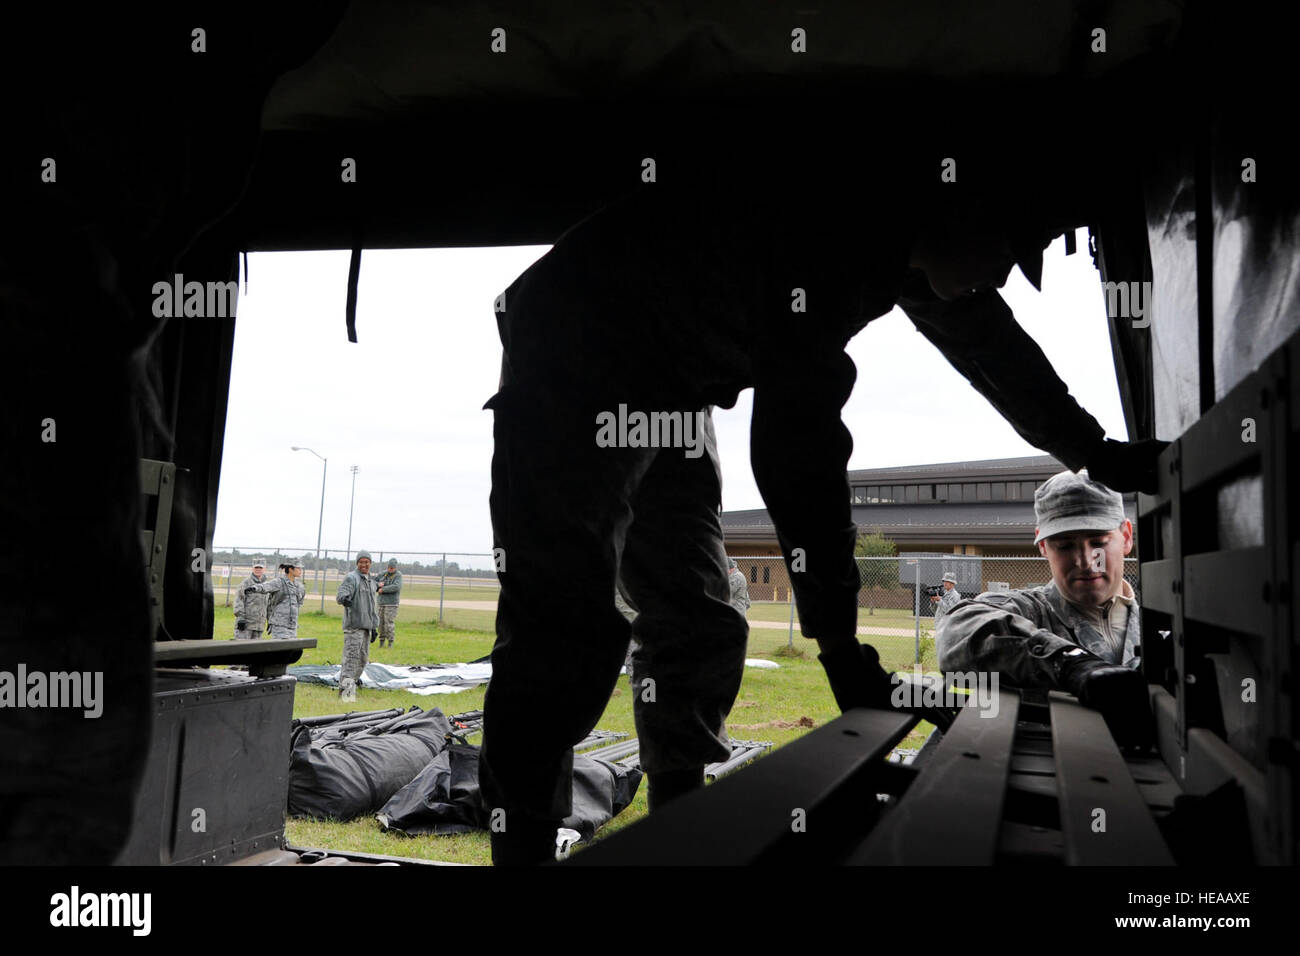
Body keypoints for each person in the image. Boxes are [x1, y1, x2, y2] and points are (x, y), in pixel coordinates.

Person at [479, 176, 1165, 864]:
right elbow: (795, 449)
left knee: (698, 617)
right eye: (1008, 253)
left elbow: (993, 347)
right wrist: (839, 649)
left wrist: (1095, 451)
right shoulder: (839, 227)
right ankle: (525, 852)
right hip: (578, 348)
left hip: (673, 382)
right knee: (560, 621)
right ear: (965, 211)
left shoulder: (924, 247)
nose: (1003, 276)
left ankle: (677, 842)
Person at [936, 470, 1151, 750]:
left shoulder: (1160, 625)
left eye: (1098, 542)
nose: (1085, 561)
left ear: (1126, 537)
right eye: (1065, 545)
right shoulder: (1028, 611)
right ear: (1042, 545)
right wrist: (1068, 664)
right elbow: (956, 633)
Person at [336, 551, 378, 702]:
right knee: (351, 660)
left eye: (367, 562)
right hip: (354, 627)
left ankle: (350, 687)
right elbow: (341, 593)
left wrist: (374, 627)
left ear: (370, 564)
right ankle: (345, 695)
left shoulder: (371, 582)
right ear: (357, 563)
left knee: (362, 660)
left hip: (366, 627)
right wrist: (344, 599)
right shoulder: (351, 578)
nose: (364, 565)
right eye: (361, 562)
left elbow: (373, 607)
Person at [246, 559, 305, 640]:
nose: (300, 570)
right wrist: (254, 588)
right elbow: (266, 586)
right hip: (279, 625)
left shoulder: (299, 586)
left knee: (291, 649)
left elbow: (300, 602)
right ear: (291, 569)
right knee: (280, 649)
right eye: (298, 568)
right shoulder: (279, 582)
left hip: (292, 625)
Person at [232, 559, 270, 639]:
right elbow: (239, 600)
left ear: (265, 569)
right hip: (246, 624)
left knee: (255, 650)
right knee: (242, 648)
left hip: (259, 625)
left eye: (260, 568)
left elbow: (269, 605)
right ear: (252, 568)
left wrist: (270, 621)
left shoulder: (267, 585)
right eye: (256, 568)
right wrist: (241, 618)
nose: (258, 570)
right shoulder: (246, 583)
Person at [375, 557, 403, 649]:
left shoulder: (398, 575)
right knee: (380, 623)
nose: (390, 569)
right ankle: (381, 641)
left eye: (392, 568)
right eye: (389, 567)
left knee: (388, 623)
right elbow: (374, 581)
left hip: (391, 603)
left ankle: (390, 642)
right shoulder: (383, 574)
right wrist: (378, 585)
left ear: (395, 567)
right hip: (381, 603)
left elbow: (396, 587)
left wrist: (383, 589)